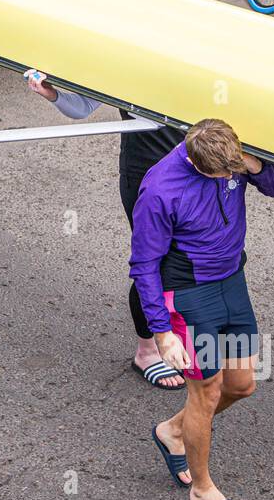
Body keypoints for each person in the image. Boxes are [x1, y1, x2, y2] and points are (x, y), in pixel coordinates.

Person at [131, 119, 274, 500]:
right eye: (223, 173)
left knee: (242, 385)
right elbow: (145, 265)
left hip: (232, 285)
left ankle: (171, 430)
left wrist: (251, 166)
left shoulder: (231, 160)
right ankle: (202, 489)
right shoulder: (160, 189)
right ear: (200, 166)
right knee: (206, 391)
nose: (229, 178)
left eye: (232, 169)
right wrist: (162, 331)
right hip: (190, 297)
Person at [25, 71, 187, 391]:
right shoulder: (126, 58)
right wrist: (51, 93)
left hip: (202, 174)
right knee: (157, 265)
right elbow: (82, 107)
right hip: (148, 177)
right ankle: (147, 351)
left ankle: (182, 332)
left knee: (198, 259)